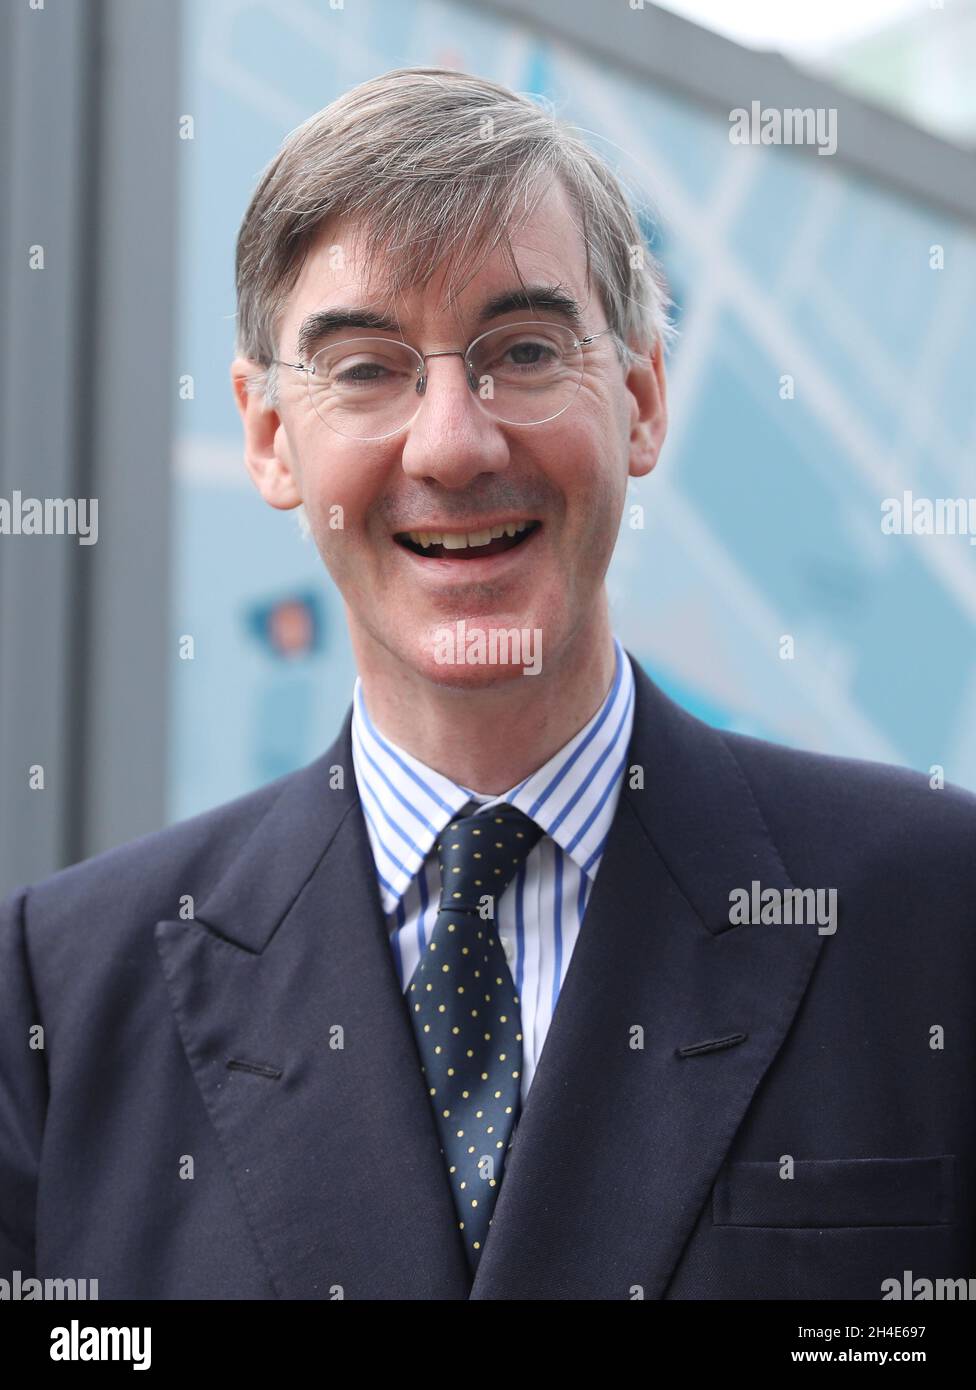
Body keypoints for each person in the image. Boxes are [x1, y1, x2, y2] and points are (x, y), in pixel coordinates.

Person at [1, 67, 973, 1302]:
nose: (454, 443)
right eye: (364, 368)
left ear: (639, 398)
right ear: (265, 436)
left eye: (522, 351)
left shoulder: (935, 912)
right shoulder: (62, 993)